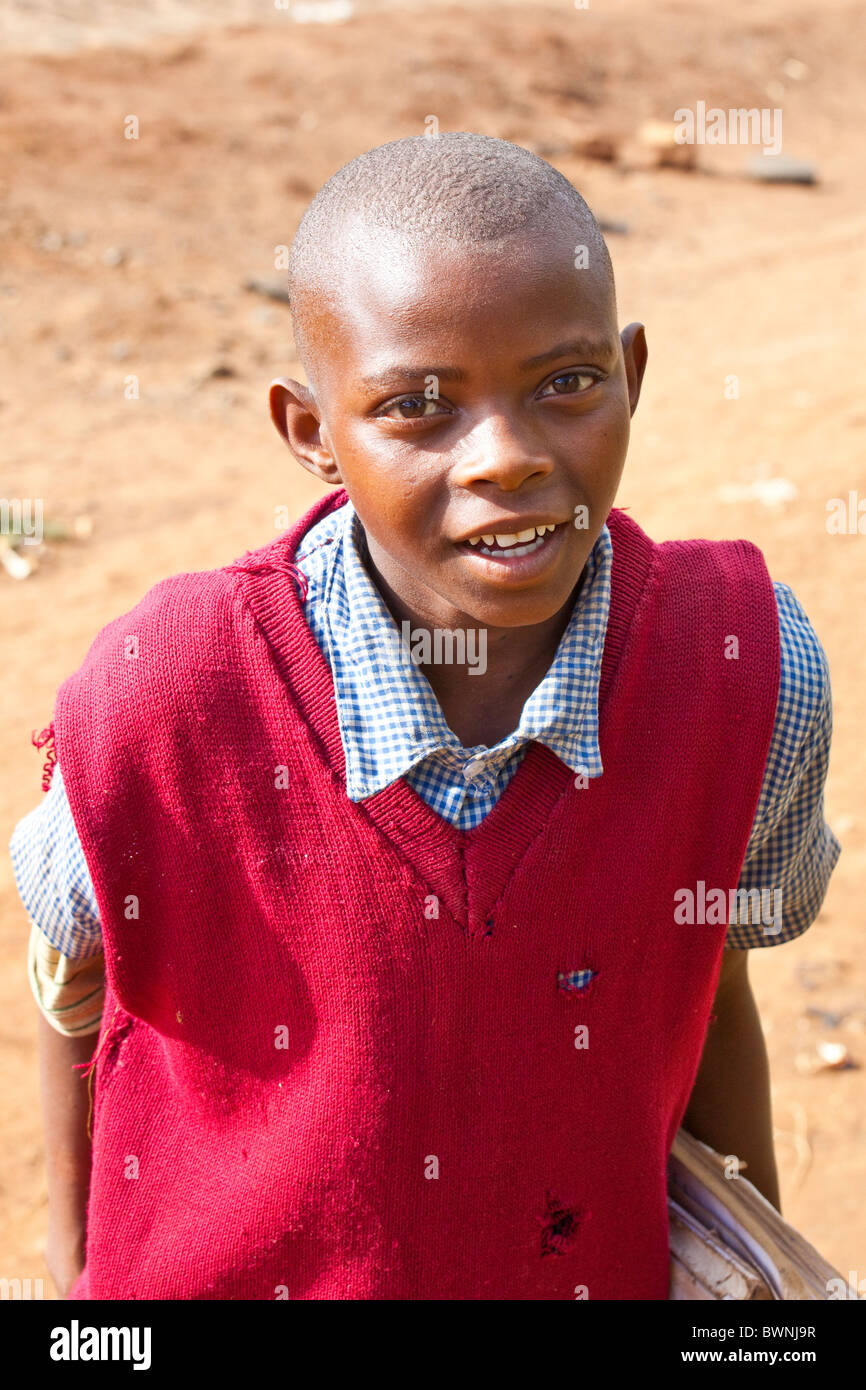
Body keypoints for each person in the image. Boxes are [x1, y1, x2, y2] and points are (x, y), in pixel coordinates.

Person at [9, 131, 841, 1300]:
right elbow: (79, 975)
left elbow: (703, 975)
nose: (505, 457)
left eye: (565, 383)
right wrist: (76, 1280)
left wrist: (754, 1285)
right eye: (416, 406)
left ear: (631, 372)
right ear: (312, 434)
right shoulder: (171, 689)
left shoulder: (741, 666)